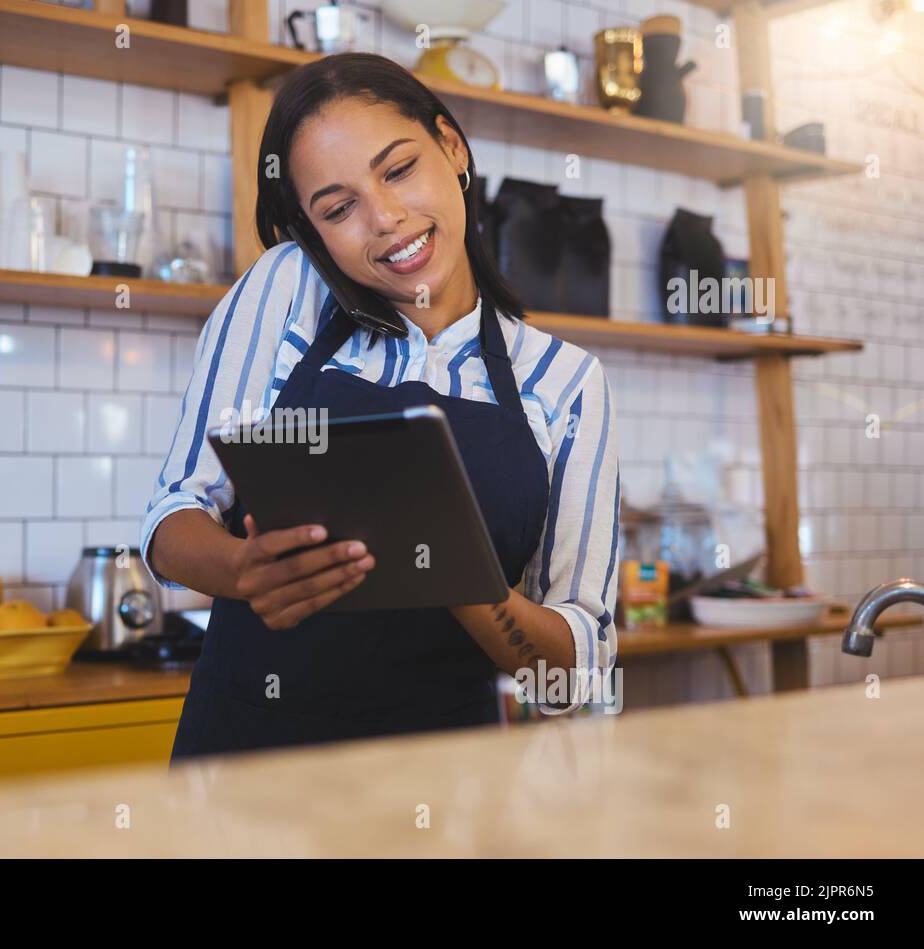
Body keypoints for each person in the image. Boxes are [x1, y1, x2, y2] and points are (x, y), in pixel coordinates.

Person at [141, 53, 620, 761]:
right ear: (314, 228)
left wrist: (463, 577)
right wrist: (244, 570)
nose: (387, 218)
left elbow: (573, 673)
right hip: (245, 773)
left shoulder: (568, 381)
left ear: (451, 148)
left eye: (398, 170)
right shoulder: (287, 290)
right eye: (339, 208)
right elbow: (171, 516)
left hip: (444, 792)